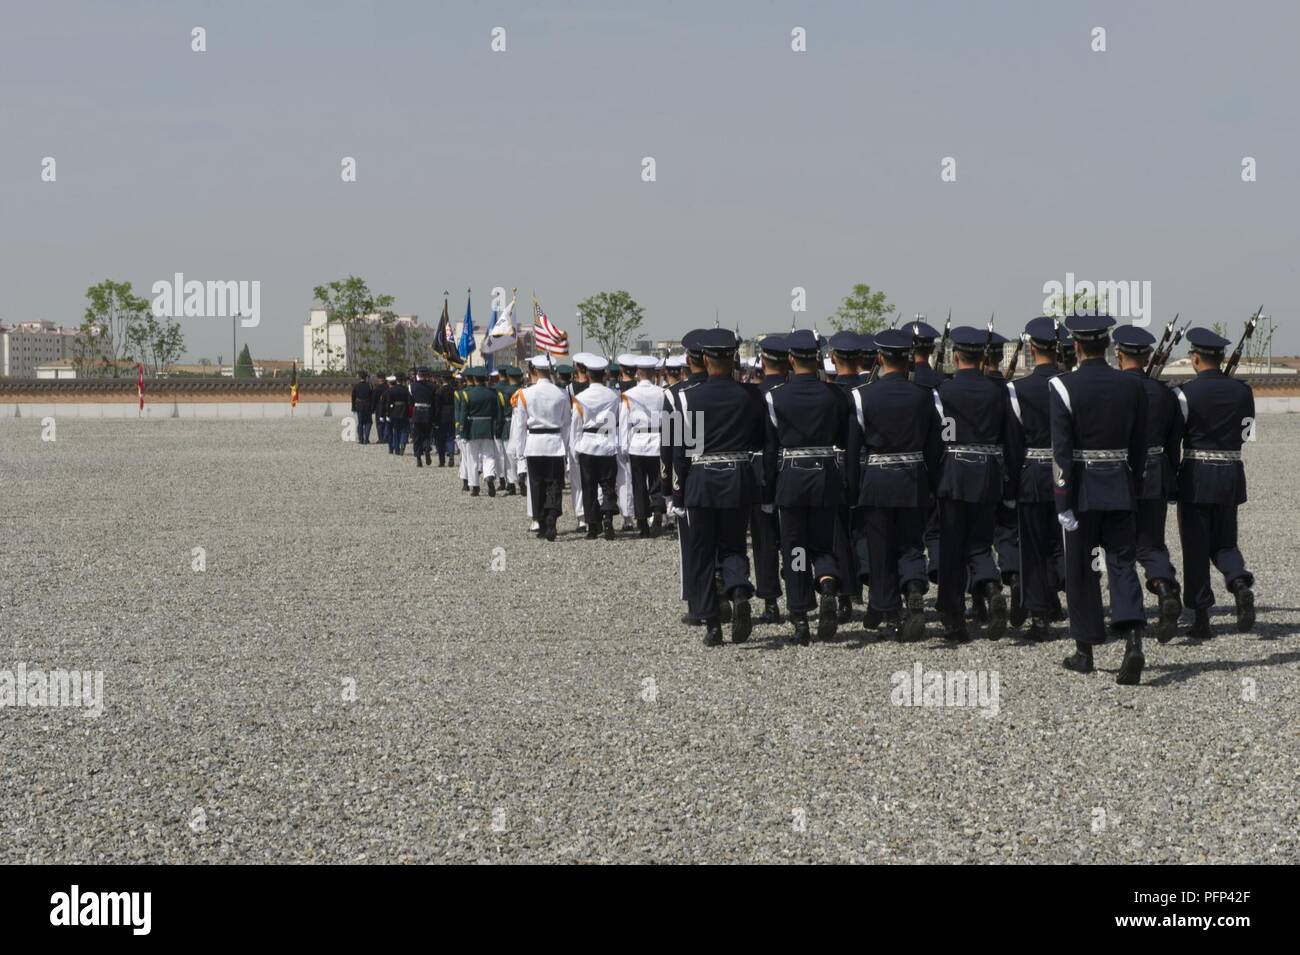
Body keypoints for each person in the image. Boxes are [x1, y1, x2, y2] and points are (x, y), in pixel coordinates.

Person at [1050, 314, 1148, 684]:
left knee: (1082, 570)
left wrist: (1062, 500)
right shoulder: (1131, 386)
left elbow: (1061, 451)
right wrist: (1133, 484)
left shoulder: (1062, 387)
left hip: (1082, 491)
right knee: (1122, 564)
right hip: (1121, 485)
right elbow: (1138, 447)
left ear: (1076, 346)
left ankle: (1085, 650)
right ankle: (1134, 641)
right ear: (1108, 346)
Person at [844, 328, 943, 641]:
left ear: (879, 358)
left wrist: (852, 488)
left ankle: (888, 609)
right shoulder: (923, 396)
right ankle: (914, 587)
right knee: (912, 543)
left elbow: (852, 449)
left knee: (881, 547)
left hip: (876, 480)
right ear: (909, 359)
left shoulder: (862, 396)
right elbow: (934, 447)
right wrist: (932, 483)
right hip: (913, 478)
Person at [670, 328, 766, 646]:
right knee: (734, 545)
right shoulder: (752, 396)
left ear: (706, 359)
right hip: (738, 478)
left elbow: (678, 451)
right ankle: (739, 593)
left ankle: (712, 623)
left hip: (701, 481)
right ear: (732, 358)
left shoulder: (686, 398)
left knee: (701, 553)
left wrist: (677, 493)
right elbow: (758, 442)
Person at [762, 329, 850, 645]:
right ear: (817, 359)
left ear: (790, 359)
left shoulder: (775, 397)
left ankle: (800, 618)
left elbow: (770, 450)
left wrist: (767, 491)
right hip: (826, 475)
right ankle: (827, 582)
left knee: (796, 549)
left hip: (791, 479)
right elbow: (844, 441)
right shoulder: (836, 396)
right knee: (823, 544)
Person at [934, 327, 1019, 642]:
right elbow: (1010, 439)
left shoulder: (945, 391)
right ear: (984, 358)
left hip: (954, 473)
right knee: (981, 542)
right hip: (987, 473)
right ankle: (992, 586)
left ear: (956, 357)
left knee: (952, 547)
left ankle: (953, 616)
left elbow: (943, 434)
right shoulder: (999, 391)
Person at [1172, 327, 1257, 640]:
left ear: (1195, 358)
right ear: (1220, 358)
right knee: (1225, 542)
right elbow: (1247, 434)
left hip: (1196, 476)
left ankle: (1202, 617)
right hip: (1231, 474)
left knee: (1195, 548)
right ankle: (1238, 583)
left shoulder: (1183, 393)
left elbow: (1174, 438)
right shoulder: (1243, 391)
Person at [1113, 326, 1184, 642]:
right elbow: (1174, 443)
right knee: (1152, 543)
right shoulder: (1166, 393)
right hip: (1155, 472)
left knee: (1121, 548)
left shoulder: (1112, 388)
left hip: (1118, 473)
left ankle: (1128, 618)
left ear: (1119, 355)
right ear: (1145, 357)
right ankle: (1165, 588)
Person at [1004, 318, 1068, 641]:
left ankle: (1040, 616)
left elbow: (1013, 445)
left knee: (1032, 546)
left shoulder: (1017, 390)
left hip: (1031, 474)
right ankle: (1069, 599)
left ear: (1031, 349)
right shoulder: (1071, 383)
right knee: (1062, 544)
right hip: (1065, 475)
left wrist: (1011, 483)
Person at [748, 335, 788, 623]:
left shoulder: (753, 395)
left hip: (760, 468)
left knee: (765, 541)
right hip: (792, 469)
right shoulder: (790, 392)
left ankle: (771, 600)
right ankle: (803, 594)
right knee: (795, 539)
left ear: (762, 362)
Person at [509, 355, 572, 540]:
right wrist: (566, 447)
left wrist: (519, 452)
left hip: (534, 443)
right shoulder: (561, 393)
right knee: (554, 483)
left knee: (536, 484)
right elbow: (567, 423)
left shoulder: (525, 393)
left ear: (534, 371)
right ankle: (552, 514)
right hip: (555, 443)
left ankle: (541, 521)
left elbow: (520, 425)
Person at [570, 353, 621, 539]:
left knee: (589, 487)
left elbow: (576, 426)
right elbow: (617, 420)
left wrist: (574, 450)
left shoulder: (581, 397)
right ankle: (607, 516)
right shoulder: (614, 396)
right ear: (604, 374)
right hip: (607, 442)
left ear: (589, 375)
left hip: (588, 445)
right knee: (608, 485)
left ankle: (592, 526)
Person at [619, 355, 668, 537]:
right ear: (652, 373)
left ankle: (642, 523)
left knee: (639, 484)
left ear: (638, 372)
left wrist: (623, 447)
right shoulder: (662, 393)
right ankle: (657, 509)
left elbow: (624, 422)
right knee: (657, 479)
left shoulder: (629, 395)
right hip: (657, 440)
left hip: (637, 442)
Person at [461, 367, 504, 496]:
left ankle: (474, 486)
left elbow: (463, 414)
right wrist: (498, 428)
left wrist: (462, 430)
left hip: (472, 427)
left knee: (472, 457)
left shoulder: (467, 394)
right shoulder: (493, 393)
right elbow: (499, 413)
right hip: (488, 426)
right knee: (488, 455)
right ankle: (489, 475)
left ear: (474, 379)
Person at [494, 366, 521, 495]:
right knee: (520, 454)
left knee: (507, 456)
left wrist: (497, 429)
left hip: (507, 425)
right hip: (522, 425)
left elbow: (499, 413)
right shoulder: (524, 391)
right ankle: (522, 477)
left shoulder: (501, 393)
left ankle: (511, 482)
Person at [408, 367, 436, 467]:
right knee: (427, 434)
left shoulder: (412, 386)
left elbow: (410, 402)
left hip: (417, 413)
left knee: (417, 436)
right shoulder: (433, 386)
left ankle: (418, 457)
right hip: (428, 412)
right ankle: (427, 448)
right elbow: (434, 402)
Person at [432, 371, 456, 467]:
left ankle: (442, 460)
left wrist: (435, 420)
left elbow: (437, 407)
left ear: (442, 379)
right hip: (452, 415)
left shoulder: (438, 391)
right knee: (450, 437)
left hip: (441, 416)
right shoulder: (454, 390)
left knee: (440, 439)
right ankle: (451, 454)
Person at [384, 373, 410, 455]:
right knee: (404, 430)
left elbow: (388, 402)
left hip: (394, 411)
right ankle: (402, 443)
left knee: (396, 430)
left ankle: (397, 449)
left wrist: (388, 414)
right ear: (403, 380)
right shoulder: (406, 389)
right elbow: (409, 402)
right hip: (404, 410)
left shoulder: (391, 390)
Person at [351, 371, 373, 444]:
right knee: (368, 422)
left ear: (360, 377)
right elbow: (372, 397)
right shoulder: (369, 386)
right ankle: (366, 438)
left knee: (360, 422)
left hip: (359, 405)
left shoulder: (356, 386)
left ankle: (360, 439)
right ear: (366, 377)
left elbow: (353, 397)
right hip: (367, 405)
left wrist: (353, 407)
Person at [373, 374, 391, 445]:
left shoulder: (377, 388)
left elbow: (374, 399)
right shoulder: (388, 387)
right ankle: (386, 437)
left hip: (379, 407)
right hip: (388, 406)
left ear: (379, 379)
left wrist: (373, 408)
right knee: (387, 422)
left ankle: (381, 438)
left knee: (379, 423)